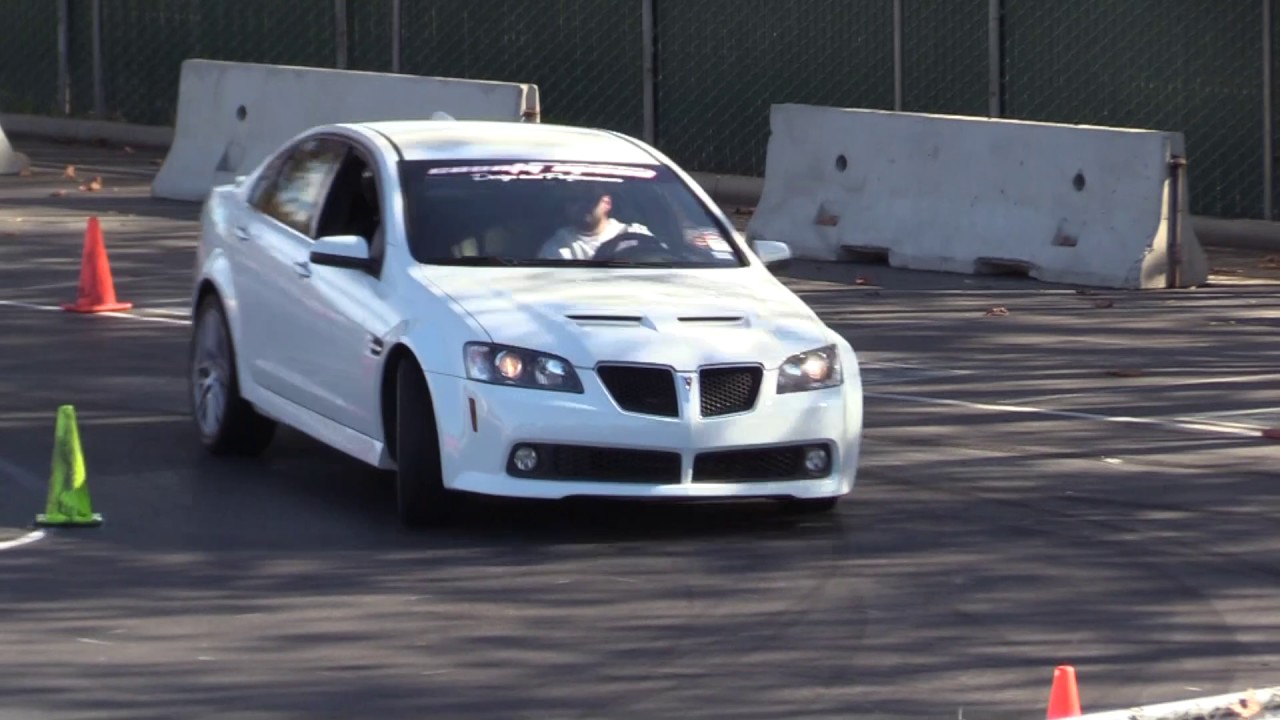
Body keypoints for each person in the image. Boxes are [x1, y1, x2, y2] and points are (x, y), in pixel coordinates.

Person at [536, 183, 652, 260]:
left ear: (607, 203)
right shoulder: (557, 245)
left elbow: (660, 262)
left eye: (589, 200)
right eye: (574, 200)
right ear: (567, 207)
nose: (582, 206)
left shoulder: (635, 235)